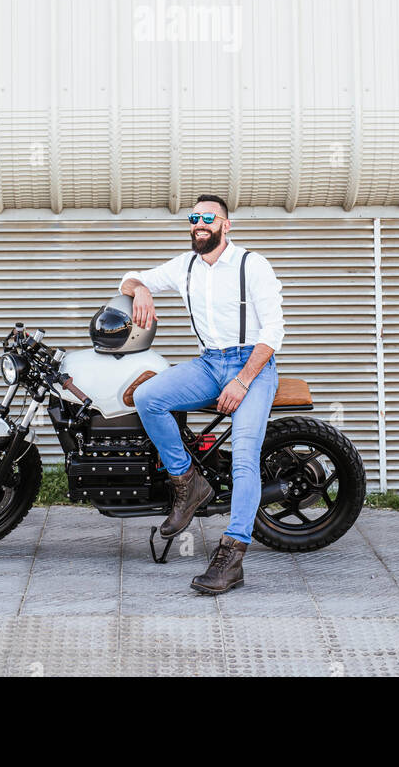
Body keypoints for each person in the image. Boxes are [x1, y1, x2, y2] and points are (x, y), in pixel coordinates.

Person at [119, 194, 285, 594]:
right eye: (194, 217)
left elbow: (274, 332)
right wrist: (140, 289)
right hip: (210, 364)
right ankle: (187, 482)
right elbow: (128, 277)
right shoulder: (185, 265)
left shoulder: (252, 264)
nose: (199, 223)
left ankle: (232, 556)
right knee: (148, 398)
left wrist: (243, 379)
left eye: (208, 217)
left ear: (226, 225)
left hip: (254, 367)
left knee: (245, 457)